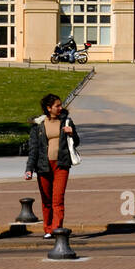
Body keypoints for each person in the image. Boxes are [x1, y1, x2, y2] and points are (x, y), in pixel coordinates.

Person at [24, 93, 81, 238]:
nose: (60, 108)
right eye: (57, 106)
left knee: (58, 198)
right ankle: (48, 229)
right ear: (49, 108)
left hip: (61, 164)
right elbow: (33, 149)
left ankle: (57, 228)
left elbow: (77, 142)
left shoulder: (67, 121)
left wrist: (72, 133)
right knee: (46, 200)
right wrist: (29, 169)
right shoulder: (39, 125)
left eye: (61, 105)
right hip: (43, 165)